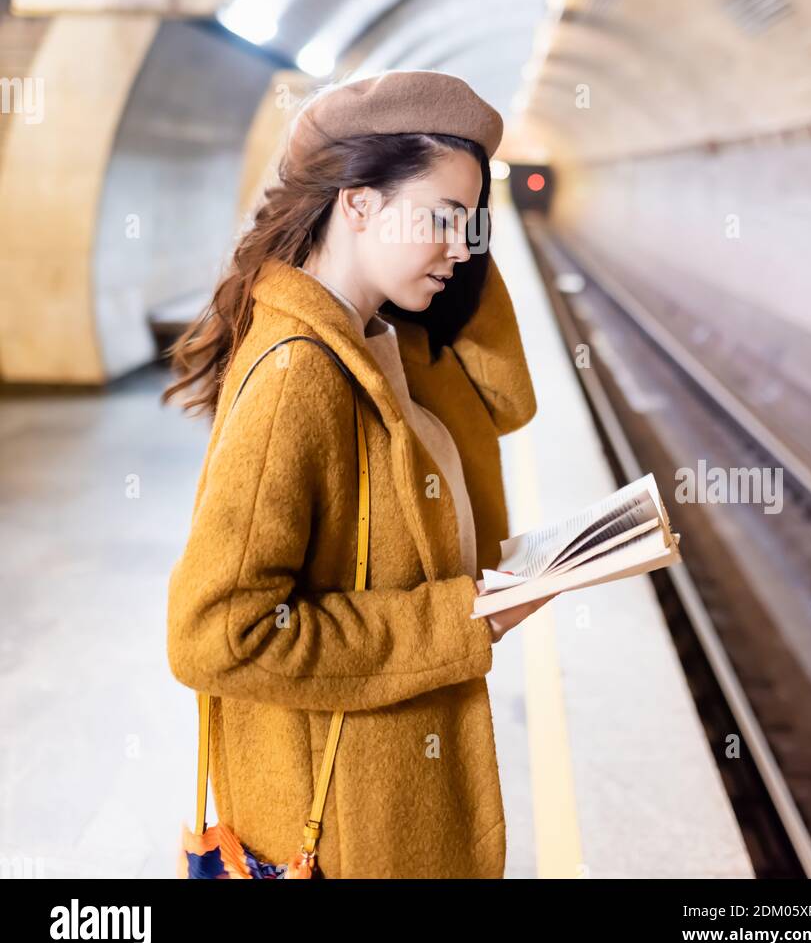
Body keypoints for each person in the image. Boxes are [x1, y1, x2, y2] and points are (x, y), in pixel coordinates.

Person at [163, 69, 546, 879]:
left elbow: (505, 399)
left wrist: (452, 251)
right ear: (359, 202)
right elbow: (216, 636)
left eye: (473, 225)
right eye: (443, 218)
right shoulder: (301, 370)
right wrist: (463, 620)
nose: (464, 247)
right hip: (343, 834)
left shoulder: (384, 344)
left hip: (384, 801)